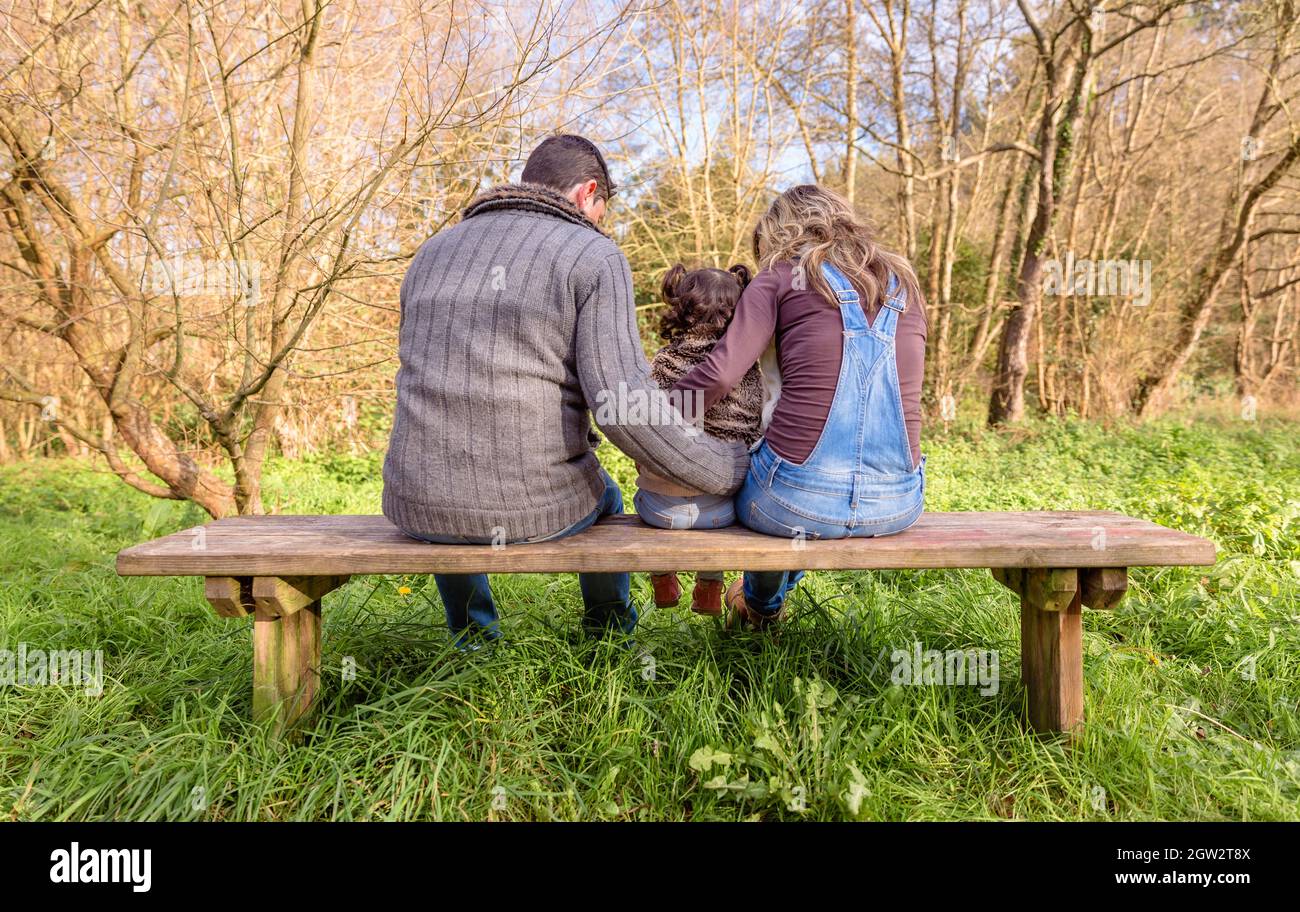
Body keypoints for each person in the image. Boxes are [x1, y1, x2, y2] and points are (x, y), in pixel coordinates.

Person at [382, 135, 749, 647]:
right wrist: (725, 467)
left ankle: (472, 640)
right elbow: (624, 409)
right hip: (533, 509)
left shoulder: (432, 252)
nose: (602, 222)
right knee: (607, 494)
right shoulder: (593, 255)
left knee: (451, 481)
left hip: (415, 501)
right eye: (604, 210)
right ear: (588, 193)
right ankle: (609, 634)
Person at [672, 184, 928, 630]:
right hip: (898, 502)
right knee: (808, 492)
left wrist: (654, 416)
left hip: (791, 503)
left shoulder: (778, 276)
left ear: (778, 234)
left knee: (772, 483)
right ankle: (755, 602)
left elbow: (719, 375)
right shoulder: (903, 282)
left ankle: (761, 606)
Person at [634, 263, 764, 616]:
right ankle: (710, 585)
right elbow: (754, 435)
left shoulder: (662, 362)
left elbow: (643, 434)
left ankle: (662, 576)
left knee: (646, 481)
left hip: (659, 512)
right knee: (726, 479)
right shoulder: (747, 372)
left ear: (682, 308)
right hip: (721, 513)